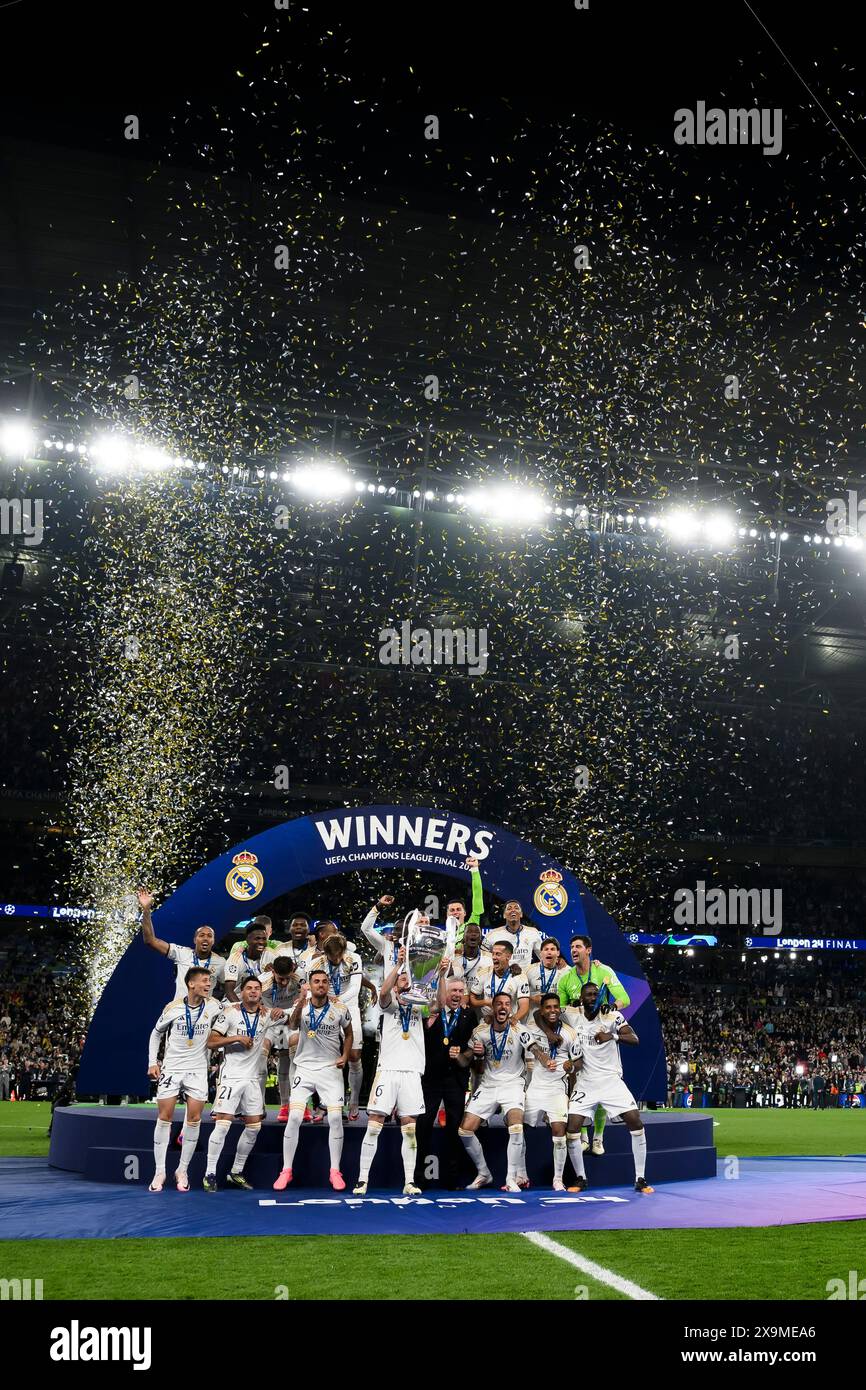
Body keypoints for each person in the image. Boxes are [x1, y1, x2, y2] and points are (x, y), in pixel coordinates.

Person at [567, 981, 653, 1195]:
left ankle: (640, 1178)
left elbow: (634, 1038)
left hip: (611, 1081)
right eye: (589, 994)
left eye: (597, 994)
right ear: (581, 997)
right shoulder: (572, 1014)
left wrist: (612, 1036)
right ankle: (581, 1178)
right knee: (572, 1127)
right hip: (586, 1081)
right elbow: (545, 1012)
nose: (593, 997)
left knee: (635, 1120)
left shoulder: (612, 1017)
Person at [273, 969, 353, 1191]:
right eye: (316, 981)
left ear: (329, 985)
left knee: (336, 1119)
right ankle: (286, 1170)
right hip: (305, 1069)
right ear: (309, 984)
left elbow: (349, 1034)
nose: (320, 985)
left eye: (324, 982)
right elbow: (293, 1025)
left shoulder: (339, 1008)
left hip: (330, 1070)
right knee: (295, 1116)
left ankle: (335, 1170)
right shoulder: (302, 1006)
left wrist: (345, 1056)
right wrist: (300, 1000)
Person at [354, 953, 425, 1196]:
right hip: (388, 1071)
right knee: (374, 1126)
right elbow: (383, 992)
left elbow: (440, 1003)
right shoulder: (388, 1004)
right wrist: (398, 965)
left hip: (412, 1072)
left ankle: (409, 1182)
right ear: (396, 984)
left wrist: (442, 974)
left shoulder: (419, 1006)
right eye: (401, 979)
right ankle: (362, 1180)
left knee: (410, 1129)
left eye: (408, 978)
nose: (405, 981)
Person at [146, 967, 222, 1192]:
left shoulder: (214, 1005)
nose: (209, 985)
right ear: (191, 984)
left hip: (197, 1069)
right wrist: (153, 1061)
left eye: (210, 981)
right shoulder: (173, 1008)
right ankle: (160, 1171)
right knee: (165, 1116)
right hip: (172, 1068)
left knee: (195, 1118)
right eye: (205, 981)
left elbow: (235, 1010)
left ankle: (183, 1170)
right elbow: (156, 1032)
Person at [202, 976, 280, 1191]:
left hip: (253, 1079)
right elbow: (211, 1042)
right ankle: (209, 1173)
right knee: (223, 1124)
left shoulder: (266, 1015)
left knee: (254, 1126)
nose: (253, 991)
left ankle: (235, 1172)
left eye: (257, 988)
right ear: (242, 992)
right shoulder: (230, 1012)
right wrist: (235, 1038)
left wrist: (291, 1005)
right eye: (249, 988)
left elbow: (291, 1020)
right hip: (231, 1076)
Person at [558, 935, 631, 1154]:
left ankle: (598, 1137)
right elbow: (560, 1011)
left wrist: (611, 1005)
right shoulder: (565, 978)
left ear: (588, 950)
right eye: (571, 947)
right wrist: (570, 1008)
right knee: (577, 1086)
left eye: (578, 946)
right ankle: (582, 1137)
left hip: (600, 1038)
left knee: (600, 1087)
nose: (573, 950)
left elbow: (625, 999)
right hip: (578, 1037)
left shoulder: (603, 971)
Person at [457, 992, 532, 1192]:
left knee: (516, 1126)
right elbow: (467, 1060)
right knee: (464, 1130)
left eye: (508, 1004)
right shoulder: (480, 1031)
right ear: (493, 1007)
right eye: (499, 1003)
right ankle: (484, 1173)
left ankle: (511, 1178)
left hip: (513, 1084)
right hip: (489, 1085)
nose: (503, 1007)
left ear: (511, 1008)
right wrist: (463, 1056)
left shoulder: (520, 1030)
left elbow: (534, 1057)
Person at [414, 963, 476, 1190]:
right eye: (453, 991)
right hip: (430, 1079)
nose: (457, 995)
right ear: (445, 993)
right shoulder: (432, 1013)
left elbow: (474, 1047)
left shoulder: (470, 1016)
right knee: (423, 1127)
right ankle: (418, 1178)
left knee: (454, 1130)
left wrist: (466, 1053)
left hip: (456, 1080)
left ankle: (452, 1178)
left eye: (461, 991)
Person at [520, 995, 580, 1191]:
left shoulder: (570, 1033)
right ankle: (520, 1174)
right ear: (542, 1010)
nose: (552, 1010)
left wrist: (570, 1066)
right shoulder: (532, 1024)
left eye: (556, 1007)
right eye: (548, 1007)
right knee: (518, 1128)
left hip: (557, 1089)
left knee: (559, 1132)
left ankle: (558, 1179)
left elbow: (578, 1062)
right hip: (535, 1087)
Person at [308, 930, 365, 1120]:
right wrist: (326, 1001)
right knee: (329, 1058)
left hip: (349, 1008)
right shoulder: (316, 962)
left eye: (339, 955)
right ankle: (328, 1103)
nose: (336, 959)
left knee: (354, 1055)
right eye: (332, 957)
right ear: (326, 954)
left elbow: (356, 988)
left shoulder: (354, 957)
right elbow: (310, 989)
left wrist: (336, 999)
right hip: (326, 1010)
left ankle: (354, 1100)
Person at [137, 887, 226, 1000]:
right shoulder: (182, 953)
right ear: (194, 940)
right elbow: (150, 940)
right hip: (180, 1012)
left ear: (213, 941)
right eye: (201, 935)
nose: (205, 939)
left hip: (204, 1014)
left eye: (209, 936)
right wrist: (146, 909)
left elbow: (230, 986)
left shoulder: (220, 962)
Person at [260, 957, 303, 1123]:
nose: (284, 982)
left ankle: (293, 1104)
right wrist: (271, 1010)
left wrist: (285, 1013)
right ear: (272, 972)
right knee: (260, 1060)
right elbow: (255, 1003)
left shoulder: (300, 977)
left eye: (287, 977)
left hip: (289, 1021)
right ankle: (258, 1105)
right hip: (270, 1024)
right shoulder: (263, 982)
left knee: (293, 1054)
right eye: (280, 978)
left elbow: (304, 1001)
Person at [469, 940, 530, 1022]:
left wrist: (514, 1019)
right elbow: (472, 999)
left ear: (508, 957)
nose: (494, 957)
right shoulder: (483, 974)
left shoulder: (519, 977)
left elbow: (524, 1005)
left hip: (509, 1020)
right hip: (487, 1021)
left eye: (498, 954)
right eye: (493, 954)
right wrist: (486, 1002)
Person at [223, 922, 279, 1002]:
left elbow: (289, 967)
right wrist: (243, 1010)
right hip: (237, 1001)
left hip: (262, 1002)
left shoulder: (271, 955)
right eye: (257, 938)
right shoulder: (235, 959)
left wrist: (274, 970)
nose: (261, 942)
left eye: (264, 939)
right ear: (247, 940)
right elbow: (229, 991)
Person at [485, 898, 543, 970]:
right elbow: (483, 958)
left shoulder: (533, 933)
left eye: (516, 908)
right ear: (504, 915)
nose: (513, 910)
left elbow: (543, 957)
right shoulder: (492, 935)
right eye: (509, 908)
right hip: (500, 978)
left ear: (521, 914)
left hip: (525, 978)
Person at [526, 938, 569, 1010]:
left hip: (559, 1016)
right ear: (540, 953)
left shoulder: (567, 971)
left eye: (552, 949)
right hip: (533, 1018)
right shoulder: (529, 970)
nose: (549, 952)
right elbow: (517, 993)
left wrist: (593, 964)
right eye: (546, 949)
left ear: (558, 953)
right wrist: (532, 998)